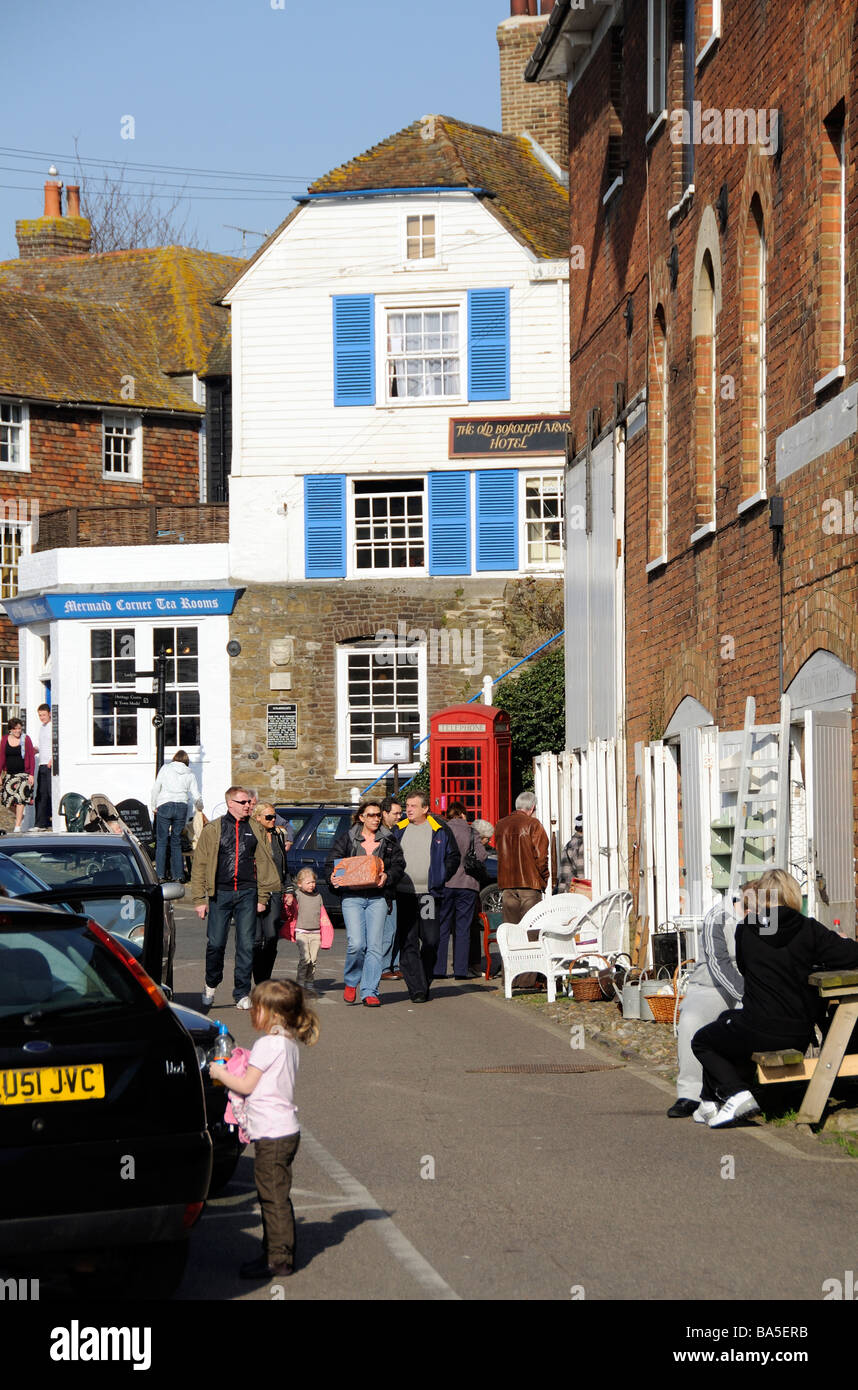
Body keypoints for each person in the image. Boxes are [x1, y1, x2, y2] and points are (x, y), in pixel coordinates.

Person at [691, 869, 858, 1128]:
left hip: (757, 1027)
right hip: (798, 1033)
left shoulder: (747, 930)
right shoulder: (809, 928)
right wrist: (840, 942)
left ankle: (737, 1093)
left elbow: (745, 971)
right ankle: (709, 1102)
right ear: (792, 895)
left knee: (702, 1041)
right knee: (725, 1020)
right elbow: (851, 955)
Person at [209, 979, 319, 1279]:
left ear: (272, 1014)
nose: (251, 1014)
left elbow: (246, 1084)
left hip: (272, 1133)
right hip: (285, 1130)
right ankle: (277, 1249)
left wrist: (220, 1071)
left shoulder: (267, 1045)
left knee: (272, 1197)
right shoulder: (287, 1044)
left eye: (256, 1009)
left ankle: (278, 1259)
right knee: (277, 1194)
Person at [190, 786, 281, 1010]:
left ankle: (241, 992)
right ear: (231, 804)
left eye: (249, 802)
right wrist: (199, 899)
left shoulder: (255, 829)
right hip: (219, 894)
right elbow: (199, 865)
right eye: (244, 802)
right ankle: (210, 985)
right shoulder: (214, 829)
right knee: (216, 943)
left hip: (248, 893)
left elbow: (263, 862)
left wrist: (262, 895)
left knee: (247, 945)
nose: (249, 805)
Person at [667, 897, 744, 1118]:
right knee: (691, 1019)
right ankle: (690, 1094)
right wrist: (746, 995)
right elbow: (719, 964)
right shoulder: (717, 916)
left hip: (751, 982)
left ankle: (738, 1087)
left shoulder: (771, 915)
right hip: (712, 983)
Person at [326, 800, 405, 1007]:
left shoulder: (389, 839)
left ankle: (370, 991)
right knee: (357, 944)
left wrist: (387, 876)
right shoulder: (348, 838)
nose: (375, 819)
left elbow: (399, 865)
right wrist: (334, 878)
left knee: (375, 947)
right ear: (361, 817)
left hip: (378, 898)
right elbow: (333, 864)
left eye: (378, 815)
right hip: (352, 898)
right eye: (370, 815)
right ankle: (352, 981)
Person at [391, 791, 460, 1003]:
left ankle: (423, 979)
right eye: (407, 805)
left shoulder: (439, 829)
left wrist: (440, 876)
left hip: (429, 894)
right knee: (408, 940)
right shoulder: (398, 830)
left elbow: (453, 856)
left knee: (431, 940)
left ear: (425, 809)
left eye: (413, 806)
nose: (408, 809)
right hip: (405, 894)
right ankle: (417, 988)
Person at [436, 802, 487, 980]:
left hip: (446, 883)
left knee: (442, 927)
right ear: (463, 815)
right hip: (467, 884)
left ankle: (439, 969)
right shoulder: (471, 831)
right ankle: (460, 970)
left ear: (449, 815)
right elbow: (482, 855)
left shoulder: (442, 829)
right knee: (463, 928)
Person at [494, 790, 549, 924]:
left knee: (511, 927)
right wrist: (543, 879)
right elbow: (541, 857)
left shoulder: (501, 825)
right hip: (530, 884)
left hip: (507, 884)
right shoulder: (534, 824)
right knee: (531, 926)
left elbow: (499, 853)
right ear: (532, 808)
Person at [252, 802, 290, 984]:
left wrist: (288, 889)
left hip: (276, 891)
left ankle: (264, 979)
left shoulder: (278, 836)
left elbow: (284, 865)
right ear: (257, 818)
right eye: (268, 817)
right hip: (255, 891)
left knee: (272, 937)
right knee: (256, 939)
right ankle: (255, 979)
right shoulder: (251, 836)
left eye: (274, 816)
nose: (273, 820)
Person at [151, 749, 203, 882]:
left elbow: (156, 787)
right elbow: (196, 794)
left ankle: (160, 875)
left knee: (162, 841)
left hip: (165, 804)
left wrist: (153, 805)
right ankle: (178, 876)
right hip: (181, 806)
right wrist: (200, 807)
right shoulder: (190, 773)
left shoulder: (166, 768)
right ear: (186, 761)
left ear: (174, 758)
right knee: (176, 842)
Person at [280, 867, 334, 990]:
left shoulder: (318, 896)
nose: (311, 885)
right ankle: (300, 982)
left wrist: (326, 932)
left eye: (313, 882)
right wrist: (287, 903)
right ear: (299, 884)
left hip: (315, 933)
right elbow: (289, 911)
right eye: (308, 882)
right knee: (305, 959)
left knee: (313, 960)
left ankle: (309, 982)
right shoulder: (297, 895)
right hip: (301, 932)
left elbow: (323, 915)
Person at [379, 796, 403, 980]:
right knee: (387, 930)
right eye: (395, 813)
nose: (399, 816)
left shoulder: (393, 832)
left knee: (393, 929)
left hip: (393, 887)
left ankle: (393, 964)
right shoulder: (382, 835)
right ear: (384, 813)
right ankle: (384, 967)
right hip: (383, 889)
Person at [0, 717, 36, 831]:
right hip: (10, 774)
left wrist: (31, 774)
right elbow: (1, 757)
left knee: (20, 798)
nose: (17, 731)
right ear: (10, 729)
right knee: (7, 801)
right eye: (15, 729)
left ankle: (18, 825)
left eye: (19, 729)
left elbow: (31, 757)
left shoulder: (26, 739)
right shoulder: (4, 739)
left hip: (23, 774)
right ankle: (21, 817)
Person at [34, 703, 52, 828]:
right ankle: (41, 823)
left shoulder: (53, 727)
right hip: (42, 764)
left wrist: (53, 759)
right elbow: (43, 746)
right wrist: (35, 749)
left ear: (49, 714)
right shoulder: (42, 727)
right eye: (40, 715)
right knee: (41, 794)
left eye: (44, 715)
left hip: (50, 764)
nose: (42, 717)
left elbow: (57, 744)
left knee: (51, 793)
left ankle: (52, 821)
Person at [557, 813, 585, 892]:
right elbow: (581, 875)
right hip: (575, 891)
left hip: (564, 889)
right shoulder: (582, 845)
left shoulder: (570, 843)